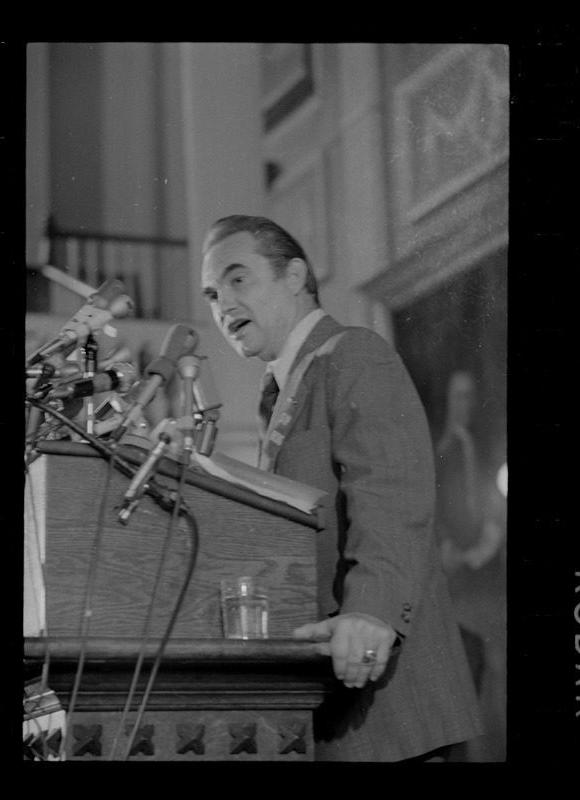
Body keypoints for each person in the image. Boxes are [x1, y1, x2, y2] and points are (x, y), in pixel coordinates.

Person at [201, 215, 484, 762]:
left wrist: (372, 612)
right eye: (212, 294)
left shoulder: (352, 353)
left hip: (390, 709)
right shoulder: (283, 389)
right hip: (337, 703)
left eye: (237, 279)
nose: (223, 304)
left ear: (295, 276)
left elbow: (391, 493)